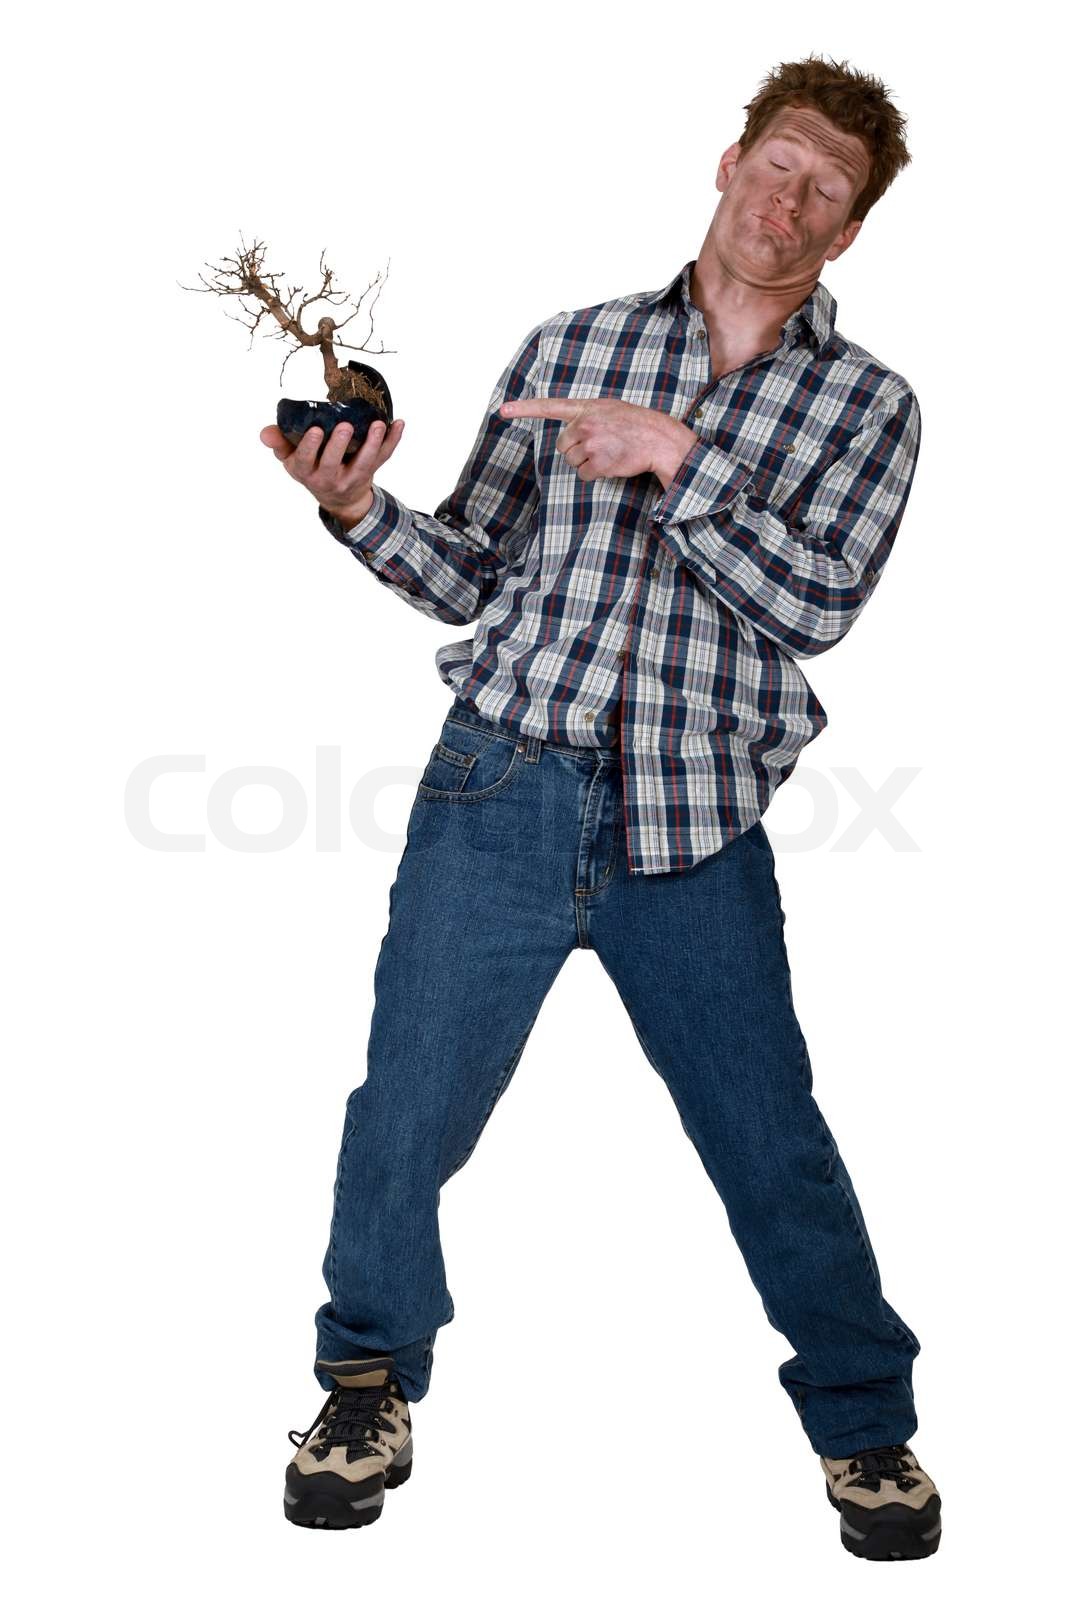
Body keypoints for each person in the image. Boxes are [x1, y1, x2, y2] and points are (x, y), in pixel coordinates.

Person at [264, 54, 941, 1561]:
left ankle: (865, 1423)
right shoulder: (572, 343)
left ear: (849, 231)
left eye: (828, 189)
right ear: (728, 161)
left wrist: (681, 461)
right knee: (406, 1110)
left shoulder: (866, 409)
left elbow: (820, 601)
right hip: (497, 787)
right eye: (778, 160)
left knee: (767, 1136)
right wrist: (356, 508)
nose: (791, 194)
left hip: (694, 830)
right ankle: (365, 1385)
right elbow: (474, 573)